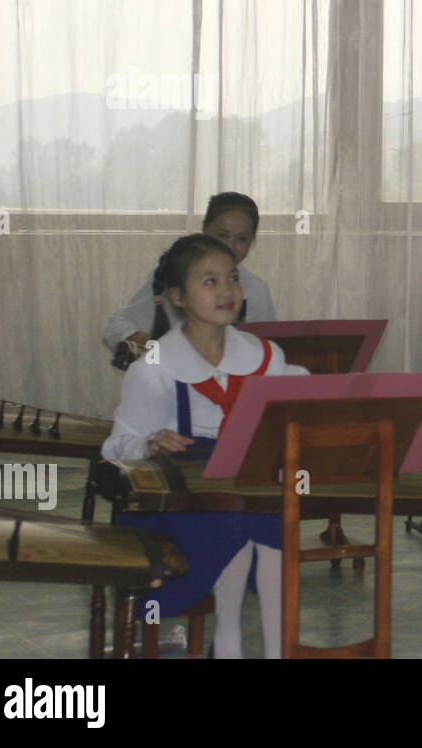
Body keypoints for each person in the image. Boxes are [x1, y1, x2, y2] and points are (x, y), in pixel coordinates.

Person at [102, 234, 308, 658]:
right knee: (237, 530)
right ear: (176, 296)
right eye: (210, 281)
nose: (228, 290)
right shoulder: (154, 367)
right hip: (181, 505)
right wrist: (149, 440)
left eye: (232, 277)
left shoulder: (266, 356)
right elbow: (115, 447)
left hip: (246, 493)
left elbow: (300, 414)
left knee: (270, 531)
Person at [103, 192, 275, 364]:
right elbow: (116, 325)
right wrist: (145, 342)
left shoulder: (256, 289)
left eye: (242, 239)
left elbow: (268, 349)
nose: (230, 247)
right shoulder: (174, 275)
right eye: (222, 235)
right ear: (205, 229)